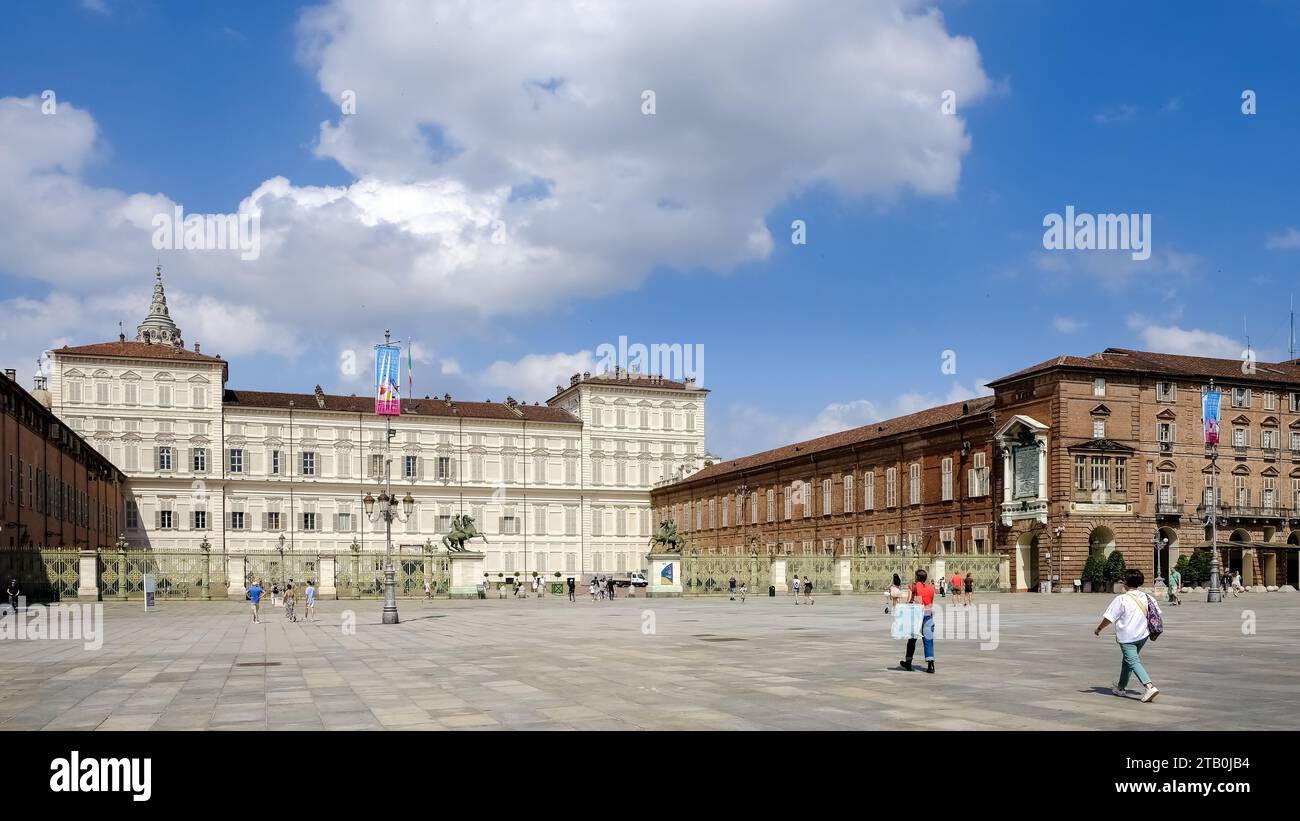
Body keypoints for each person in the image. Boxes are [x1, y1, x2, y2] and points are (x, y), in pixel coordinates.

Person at [1095, 568, 1161, 702]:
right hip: (1143, 635)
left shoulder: (1121, 599)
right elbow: (1157, 613)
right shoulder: (1148, 597)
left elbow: (1109, 617)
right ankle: (1121, 687)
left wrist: (1099, 628)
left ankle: (1149, 686)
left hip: (1127, 637)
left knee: (1133, 661)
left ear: (1126, 583)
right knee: (1127, 661)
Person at [898, 569, 936, 674]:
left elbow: (909, 600)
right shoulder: (931, 588)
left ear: (917, 577)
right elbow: (931, 602)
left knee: (912, 639)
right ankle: (930, 664)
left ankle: (908, 662)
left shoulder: (913, 586)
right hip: (928, 615)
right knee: (928, 640)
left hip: (916, 615)